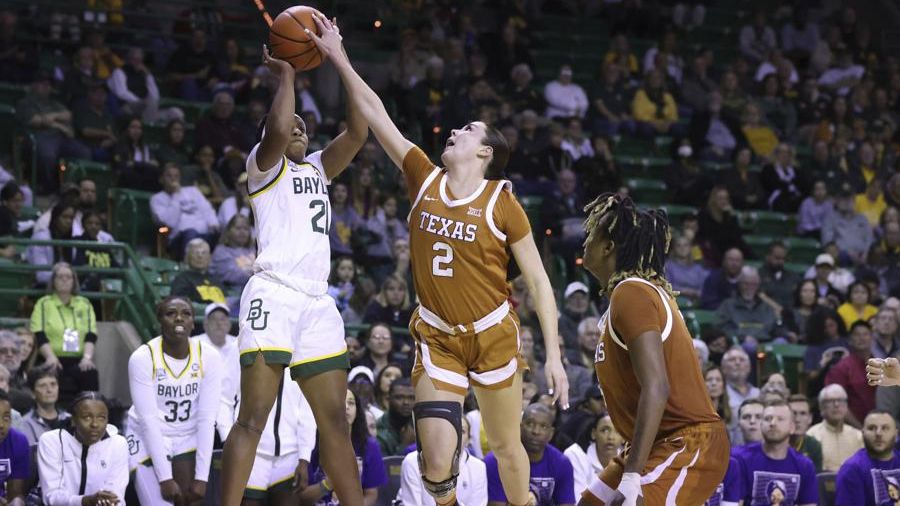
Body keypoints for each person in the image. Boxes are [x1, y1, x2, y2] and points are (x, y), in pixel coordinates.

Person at [309, 18, 569, 506]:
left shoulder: (502, 202)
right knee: (434, 464)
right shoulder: (422, 178)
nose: (454, 131)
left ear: (485, 152)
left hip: (493, 335)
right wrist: (339, 56)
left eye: (467, 131)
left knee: (508, 449)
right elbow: (377, 114)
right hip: (437, 337)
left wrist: (553, 355)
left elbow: (538, 280)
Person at [219, 43, 369, 506]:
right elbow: (280, 126)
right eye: (291, 125)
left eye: (306, 125)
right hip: (273, 294)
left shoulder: (320, 168)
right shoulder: (263, 168)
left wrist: (343, 64)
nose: (298, 127)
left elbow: (359, 131)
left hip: (318, 303)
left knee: (336, 423)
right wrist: (286, 76)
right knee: (253, 417)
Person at [579, 192, 728, 505]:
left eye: (592, 234)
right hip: (650, 444)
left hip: (687, 440)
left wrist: (632, 477)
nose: (585, 240)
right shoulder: (623, 298)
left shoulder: (631, 293)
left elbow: (657, 386)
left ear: (608, 247)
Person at [126, 296, 223, 506]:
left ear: (193, 322)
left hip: (186, 435)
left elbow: (207, 419)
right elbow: (148, 421)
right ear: (159, 320)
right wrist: (165, 478)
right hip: (145, 435)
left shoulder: (210, 356)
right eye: (171, 313)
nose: (179, 318)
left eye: (186, 313)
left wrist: (202, 478)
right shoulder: (143, 357)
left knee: (192, 500)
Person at [38, 392, 128, 506]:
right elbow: (51, 497)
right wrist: (85, 501)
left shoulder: (118, 444)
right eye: (87, 417)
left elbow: (116, 495)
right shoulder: (51, 441)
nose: (95, 424)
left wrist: (106, 502)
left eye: (101, 418)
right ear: (73, 420)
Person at [300, 389, 386, 506]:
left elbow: (371, 494)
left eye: (351, 403)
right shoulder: (308, 443)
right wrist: (329, 483)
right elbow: (300, 498)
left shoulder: (370, 446)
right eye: (340, 402)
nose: (346, 407)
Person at [29, 262, 99, 398]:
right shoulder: (44, 303)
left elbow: (91, 334)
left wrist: (87, 358)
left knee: (90, 372)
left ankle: (90, 411)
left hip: (78, 359)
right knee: (51, 372)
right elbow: (39, 333)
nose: (64, 280)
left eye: (68, 276)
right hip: (50, 357)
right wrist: (50, 357)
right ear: (53, 281)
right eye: (60, 277)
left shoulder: (84, 303)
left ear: (74, 281)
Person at [485, 403, 575, 506]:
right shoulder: (496, 460)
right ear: (520, 427)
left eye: (543, 427)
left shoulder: (562, 463)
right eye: (530, 424)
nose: (536, 431)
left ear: (551, 433)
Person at [732, 400, 818, 505]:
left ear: (792, 428)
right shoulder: (739, 458)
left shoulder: (805, 465)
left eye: (780, 419)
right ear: (761, 425)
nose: (772, 423)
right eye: (768, 419)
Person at [398, 415, 486, 506]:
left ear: (469, 440)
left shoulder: (479, 467)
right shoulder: (412, 462)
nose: (456, 435)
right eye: (450, 429)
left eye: (462, 431)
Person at [150, 163, 219, 260]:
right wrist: (176, 195)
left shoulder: (192, 191)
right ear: (161, 179)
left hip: (204, 234)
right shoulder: (157, 199)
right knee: (190, 232)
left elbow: (206, 209)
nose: (173, 179)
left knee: (222, 234)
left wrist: (214, 223)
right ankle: (189, 267)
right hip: (178, 239)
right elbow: (170, 222)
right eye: (169, 176)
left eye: (176, 176)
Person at [835, 410, 900, 506]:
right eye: (872, 428)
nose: (878, 433)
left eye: (885, 428)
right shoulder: (852, 469)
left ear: (896, 434)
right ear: (863, 433)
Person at [825, 320, 876, 425]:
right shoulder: (841, 368)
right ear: (850, 340)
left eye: (865, 334)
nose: (861, 338)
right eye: (857, 334)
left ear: (872, 339)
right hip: (850, 427)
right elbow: (836, 403)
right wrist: (859, 429)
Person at [806, 384, 863, 471]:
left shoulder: (858, 436)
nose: (836, 405)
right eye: (830, 401)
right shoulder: (812, 436)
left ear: (846, 406)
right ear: (821, 408)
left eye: (840, 400)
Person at [566, 415, 624, 499]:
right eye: (605, 430)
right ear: (593, 433)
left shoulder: (629, 460)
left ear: (624, 437)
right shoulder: (576, 454)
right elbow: (577, 501)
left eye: (617, 431)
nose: (611, 437)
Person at [20, 367, 70, 445]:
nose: (49, 390)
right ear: (32, 393)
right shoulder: (25, 423)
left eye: (53, 384)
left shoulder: (69, 418)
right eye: (43, 386)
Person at [170, 238, 226, 304]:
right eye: (195, 253)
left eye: (204, 253)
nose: (200, 256)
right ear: (187, 258)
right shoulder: (182, 279)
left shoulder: (216, 279)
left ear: (210, 257)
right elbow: (180, 302)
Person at [210, 214, 255, 291]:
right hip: (231, 294)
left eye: (246, 229)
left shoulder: (253, 250)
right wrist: (258, 275)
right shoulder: (221, 252)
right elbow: (233, 276)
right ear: (228, 231)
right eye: (238, 228)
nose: (242, 232)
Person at [0, 390, 27, 505]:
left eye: (6, 418)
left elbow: (15, 492)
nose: (1, 425)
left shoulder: (19, 441)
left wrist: (16, 502)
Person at [376, 378, 416, 457]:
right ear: (388, 399)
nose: (406, 402)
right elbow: (385, 467)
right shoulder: (379, 431)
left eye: (411, 398)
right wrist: (405, 445)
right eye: (399, 397)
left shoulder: (422, 424)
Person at [787, 394, 824, 472]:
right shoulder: (776, 443)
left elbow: (815, 478)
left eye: (803, 413)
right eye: (793, 413)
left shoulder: (814, 446)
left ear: (810, 418)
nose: (797, 420)